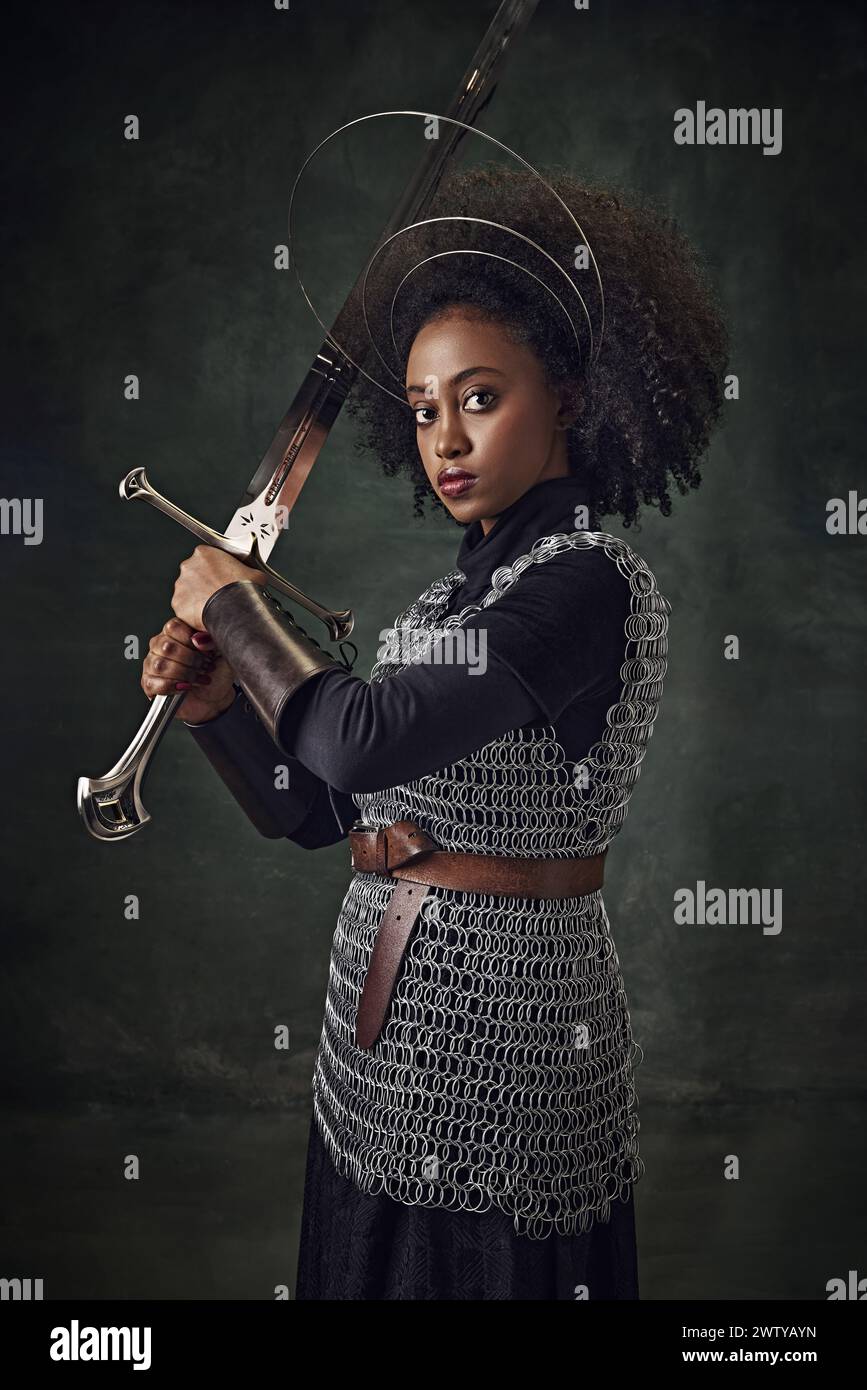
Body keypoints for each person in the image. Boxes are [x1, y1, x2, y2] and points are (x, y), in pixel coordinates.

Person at [140, 165, 728, 1299]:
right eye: (421, 407)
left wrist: (232, 606)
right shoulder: (442, 609)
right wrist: (221, 712)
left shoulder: (583, 590)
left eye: (478, 397)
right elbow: (323, 809)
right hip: (379, 1057)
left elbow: (354, 736)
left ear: (566, 394)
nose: (443, 438)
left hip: (512, 1059)